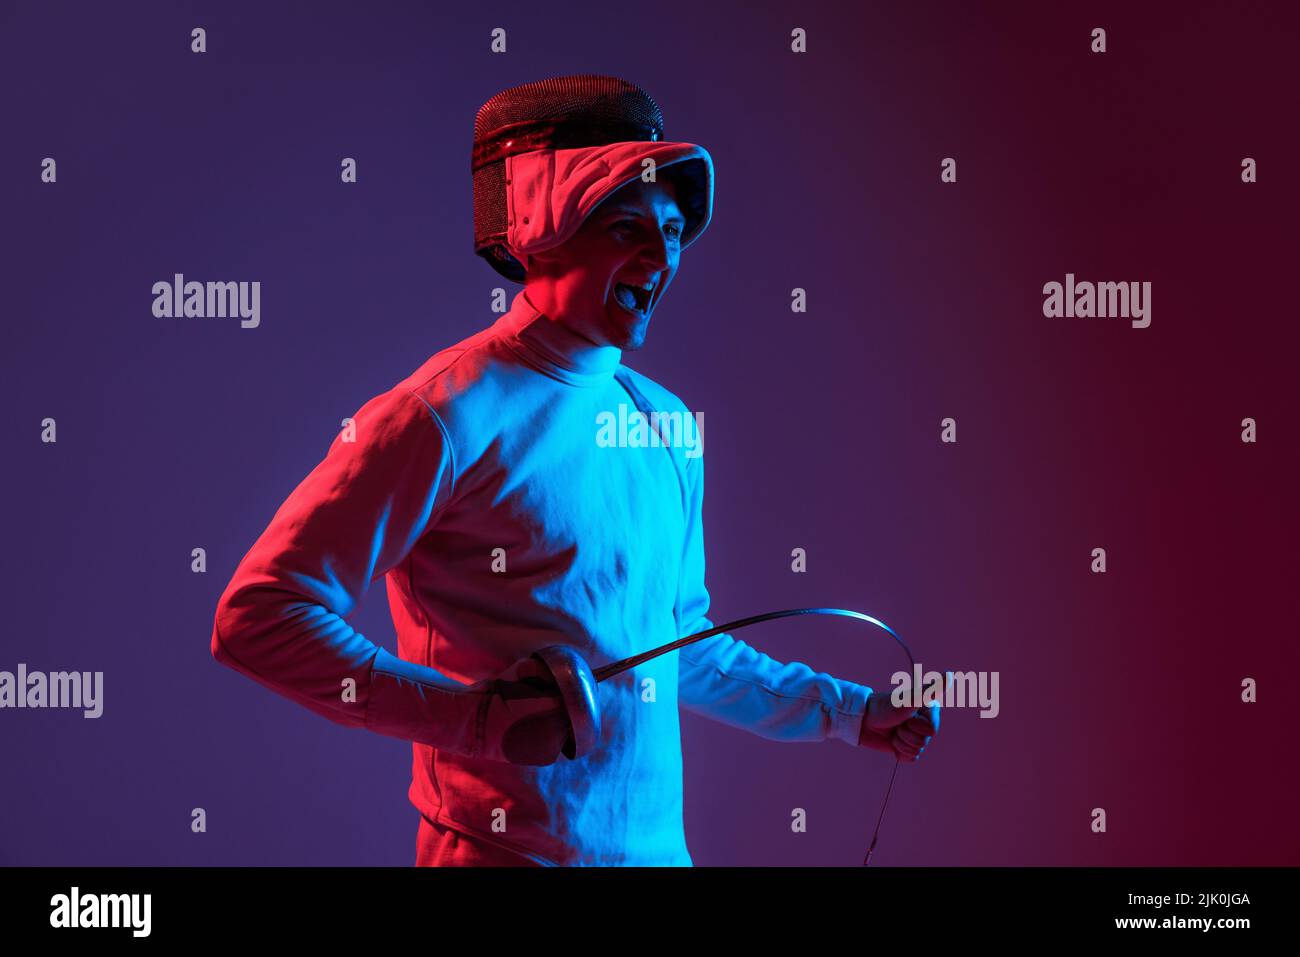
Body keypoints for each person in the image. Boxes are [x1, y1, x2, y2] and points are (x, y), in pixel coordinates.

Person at [209, 74, 938, 867]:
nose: (659, 254)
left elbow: (678, 642)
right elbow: (259, 615)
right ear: (540, 227)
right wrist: (476, 721)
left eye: (669, 227)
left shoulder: (665, 422)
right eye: (626, 223)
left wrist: (849, 711)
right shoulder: (444, 413)